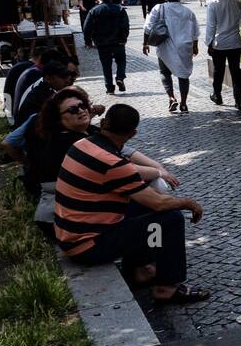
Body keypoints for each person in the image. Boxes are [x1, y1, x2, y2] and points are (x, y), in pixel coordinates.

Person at [55, 103, 209, 304]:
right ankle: (165, 288)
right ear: (133, 133)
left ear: (103, 123)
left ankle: (143, 269)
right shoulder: (114, 164)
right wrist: (189, 203)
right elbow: (159, 204)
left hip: (71, 234)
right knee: (169, 219)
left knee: (145, 212)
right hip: (89, 245)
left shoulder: (82, 145)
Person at [26, 86, 178, 237]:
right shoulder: (69, 142)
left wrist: (159, 167)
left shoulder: (89, 132)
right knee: (157, 211)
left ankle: (145, 257)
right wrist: (158, 173)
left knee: (148, 207)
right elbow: (124, 169)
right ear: (58, 118)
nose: (80, 110)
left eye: (82, 105)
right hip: (62, 220)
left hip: (82, 214)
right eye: (72, 110)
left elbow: (127, 152)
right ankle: (145, 258)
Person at [144, 0, 198, 114]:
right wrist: (195, 45)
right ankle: (184, 103)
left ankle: (171, 97)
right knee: (183, 75)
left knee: (164, 72)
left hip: (165, 45)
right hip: (185, 46)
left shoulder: (159, 8)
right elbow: (195, 31)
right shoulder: (188, 11)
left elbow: (148, 26)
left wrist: (145, 43)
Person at [204, 0, 241, 112]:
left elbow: (211, 26)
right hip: (234, 42)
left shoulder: (213, 4)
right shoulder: (236, 2)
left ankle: (217, 95)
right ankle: (238, 100)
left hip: (219, 43)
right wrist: (234, 26)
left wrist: (209, 43)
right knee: (236, 71)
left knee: (218, 70)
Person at [83, 0, 129, 94]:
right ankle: (120, 77)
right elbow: (125, 26)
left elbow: (86, 28)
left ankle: (109, 87)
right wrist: (124, 39)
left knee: (106, 65)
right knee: (121, 61)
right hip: (118, 42)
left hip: (102, 42)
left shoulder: (94, 10)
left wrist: (88, 40)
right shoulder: (120, 9)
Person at [14, 56, 78, 127]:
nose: (67, 80)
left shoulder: (45, 89)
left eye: (67, 76)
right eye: (63, 77)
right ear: (48, 79)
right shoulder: (43, 96)